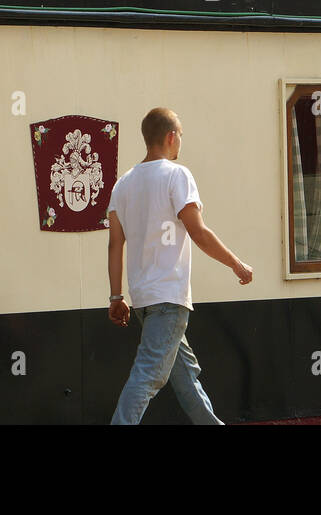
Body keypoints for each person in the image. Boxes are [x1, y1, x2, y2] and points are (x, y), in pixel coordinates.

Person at [106, 106, 253, 424]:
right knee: (147, 376)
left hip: (143, 300)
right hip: (169, 298)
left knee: (186, 378)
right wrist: (236, 264)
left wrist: (116, 297)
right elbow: (198, 232)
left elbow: (115, 244)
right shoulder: (178, 175)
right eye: (181, 136)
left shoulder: (122, 186)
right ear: (171, 137)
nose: (181, 142)